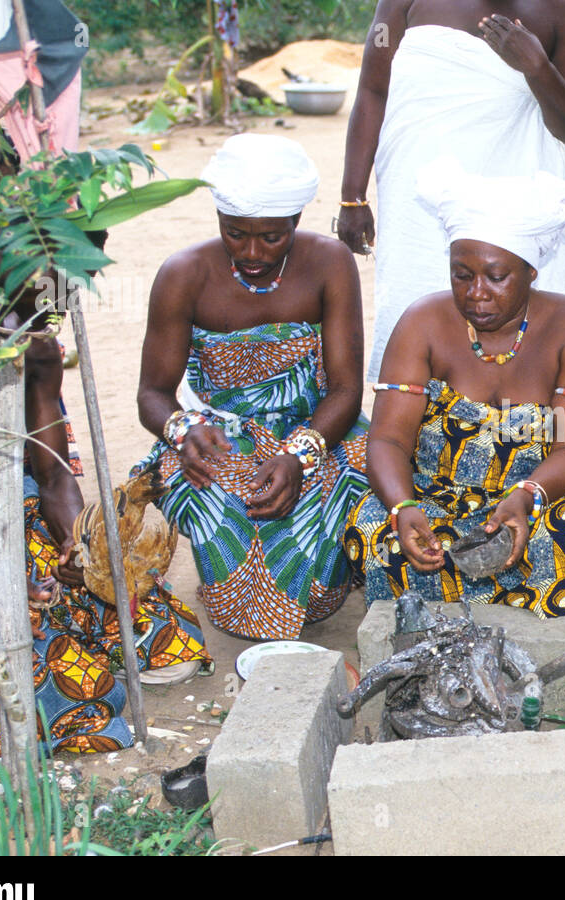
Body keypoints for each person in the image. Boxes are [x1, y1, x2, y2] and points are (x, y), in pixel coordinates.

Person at [0, 139, 209, 755]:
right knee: (53, 664)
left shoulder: (30, 339)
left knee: (156, 631)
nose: (51, 303)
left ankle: (22, 623)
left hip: (15, 503)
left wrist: (78, 542)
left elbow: (54, 474)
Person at [343, 159, 565, 618]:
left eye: (496, 276)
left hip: (546, 491)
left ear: (531, 271)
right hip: (437, 495)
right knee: (375, 529)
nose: (476, 293)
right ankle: (426, 634)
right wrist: (404, 506)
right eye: (462, 274)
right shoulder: (423, 323)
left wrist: (527, 497)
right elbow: (389, 438)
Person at [133, 134, 369, 640]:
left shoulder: (330, 263)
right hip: (221, 432)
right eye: (236, 235)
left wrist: (299, 456)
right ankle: (238, 596)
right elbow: (152, 393)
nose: (253, 252)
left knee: (371, 465)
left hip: (319, 427)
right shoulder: (184, 275)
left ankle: (334, 582)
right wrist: (184, 430)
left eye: (272, 238)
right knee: (212, 492)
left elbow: (347, 389)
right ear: (219, 220)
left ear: (297, 222)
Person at [337, 0, 565, 381]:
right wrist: (353, 195)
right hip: (414, 206)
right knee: (413, 314)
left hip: (507, 213)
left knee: (506, 326)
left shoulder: (562, 15)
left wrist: (538, 69)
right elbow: (372, 90)